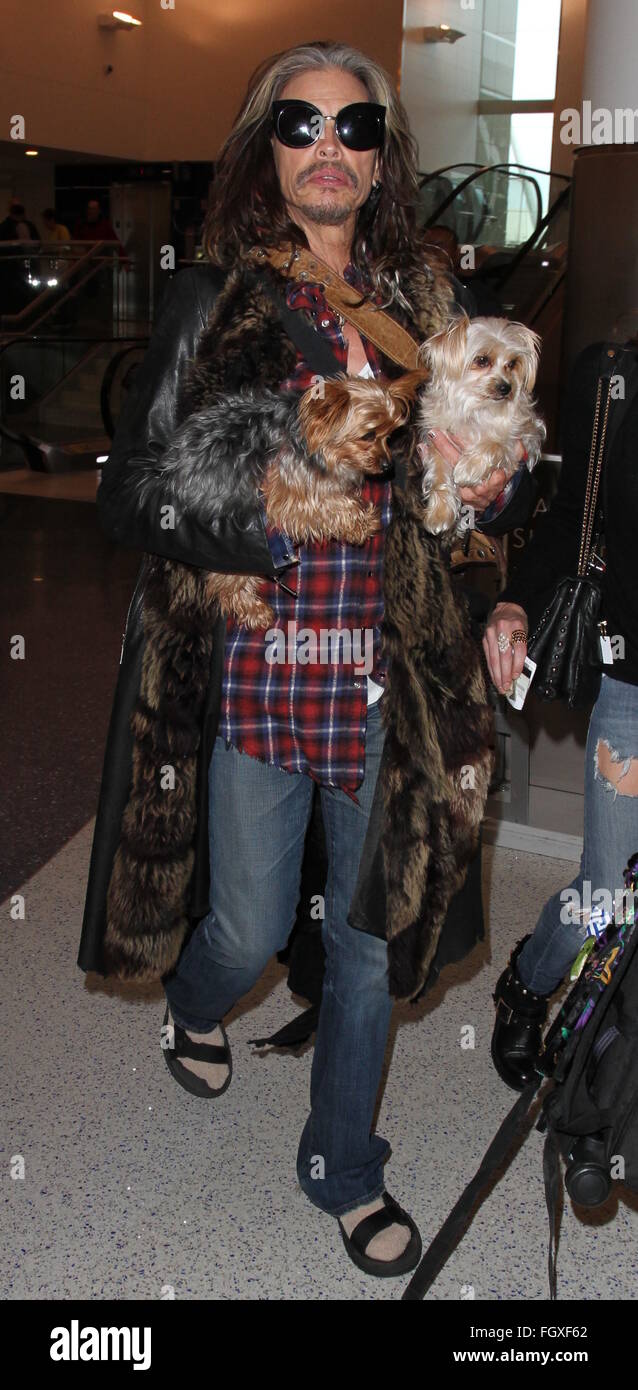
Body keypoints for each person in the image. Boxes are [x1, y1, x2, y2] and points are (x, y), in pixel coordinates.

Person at [78, 40, 534, 1279]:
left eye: (353, 128)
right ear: (262, 146)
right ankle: (192, 1000)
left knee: (369, 941)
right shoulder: (213, 298)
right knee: (247, 919)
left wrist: (488, 549)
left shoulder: (429, 304)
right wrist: (260, 519)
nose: (327, 148)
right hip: (256, 662)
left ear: (382, 157)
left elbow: (464, 492)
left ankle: (343, 1164)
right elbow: (131, 494)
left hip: (393, 678)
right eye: (299, 124)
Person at [484, 336, 638, 1092]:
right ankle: (529, 982)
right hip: (634, 685)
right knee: (606, 897)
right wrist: (515, 597)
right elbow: (574, 508)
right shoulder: (613, 377)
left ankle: (609, 1075)